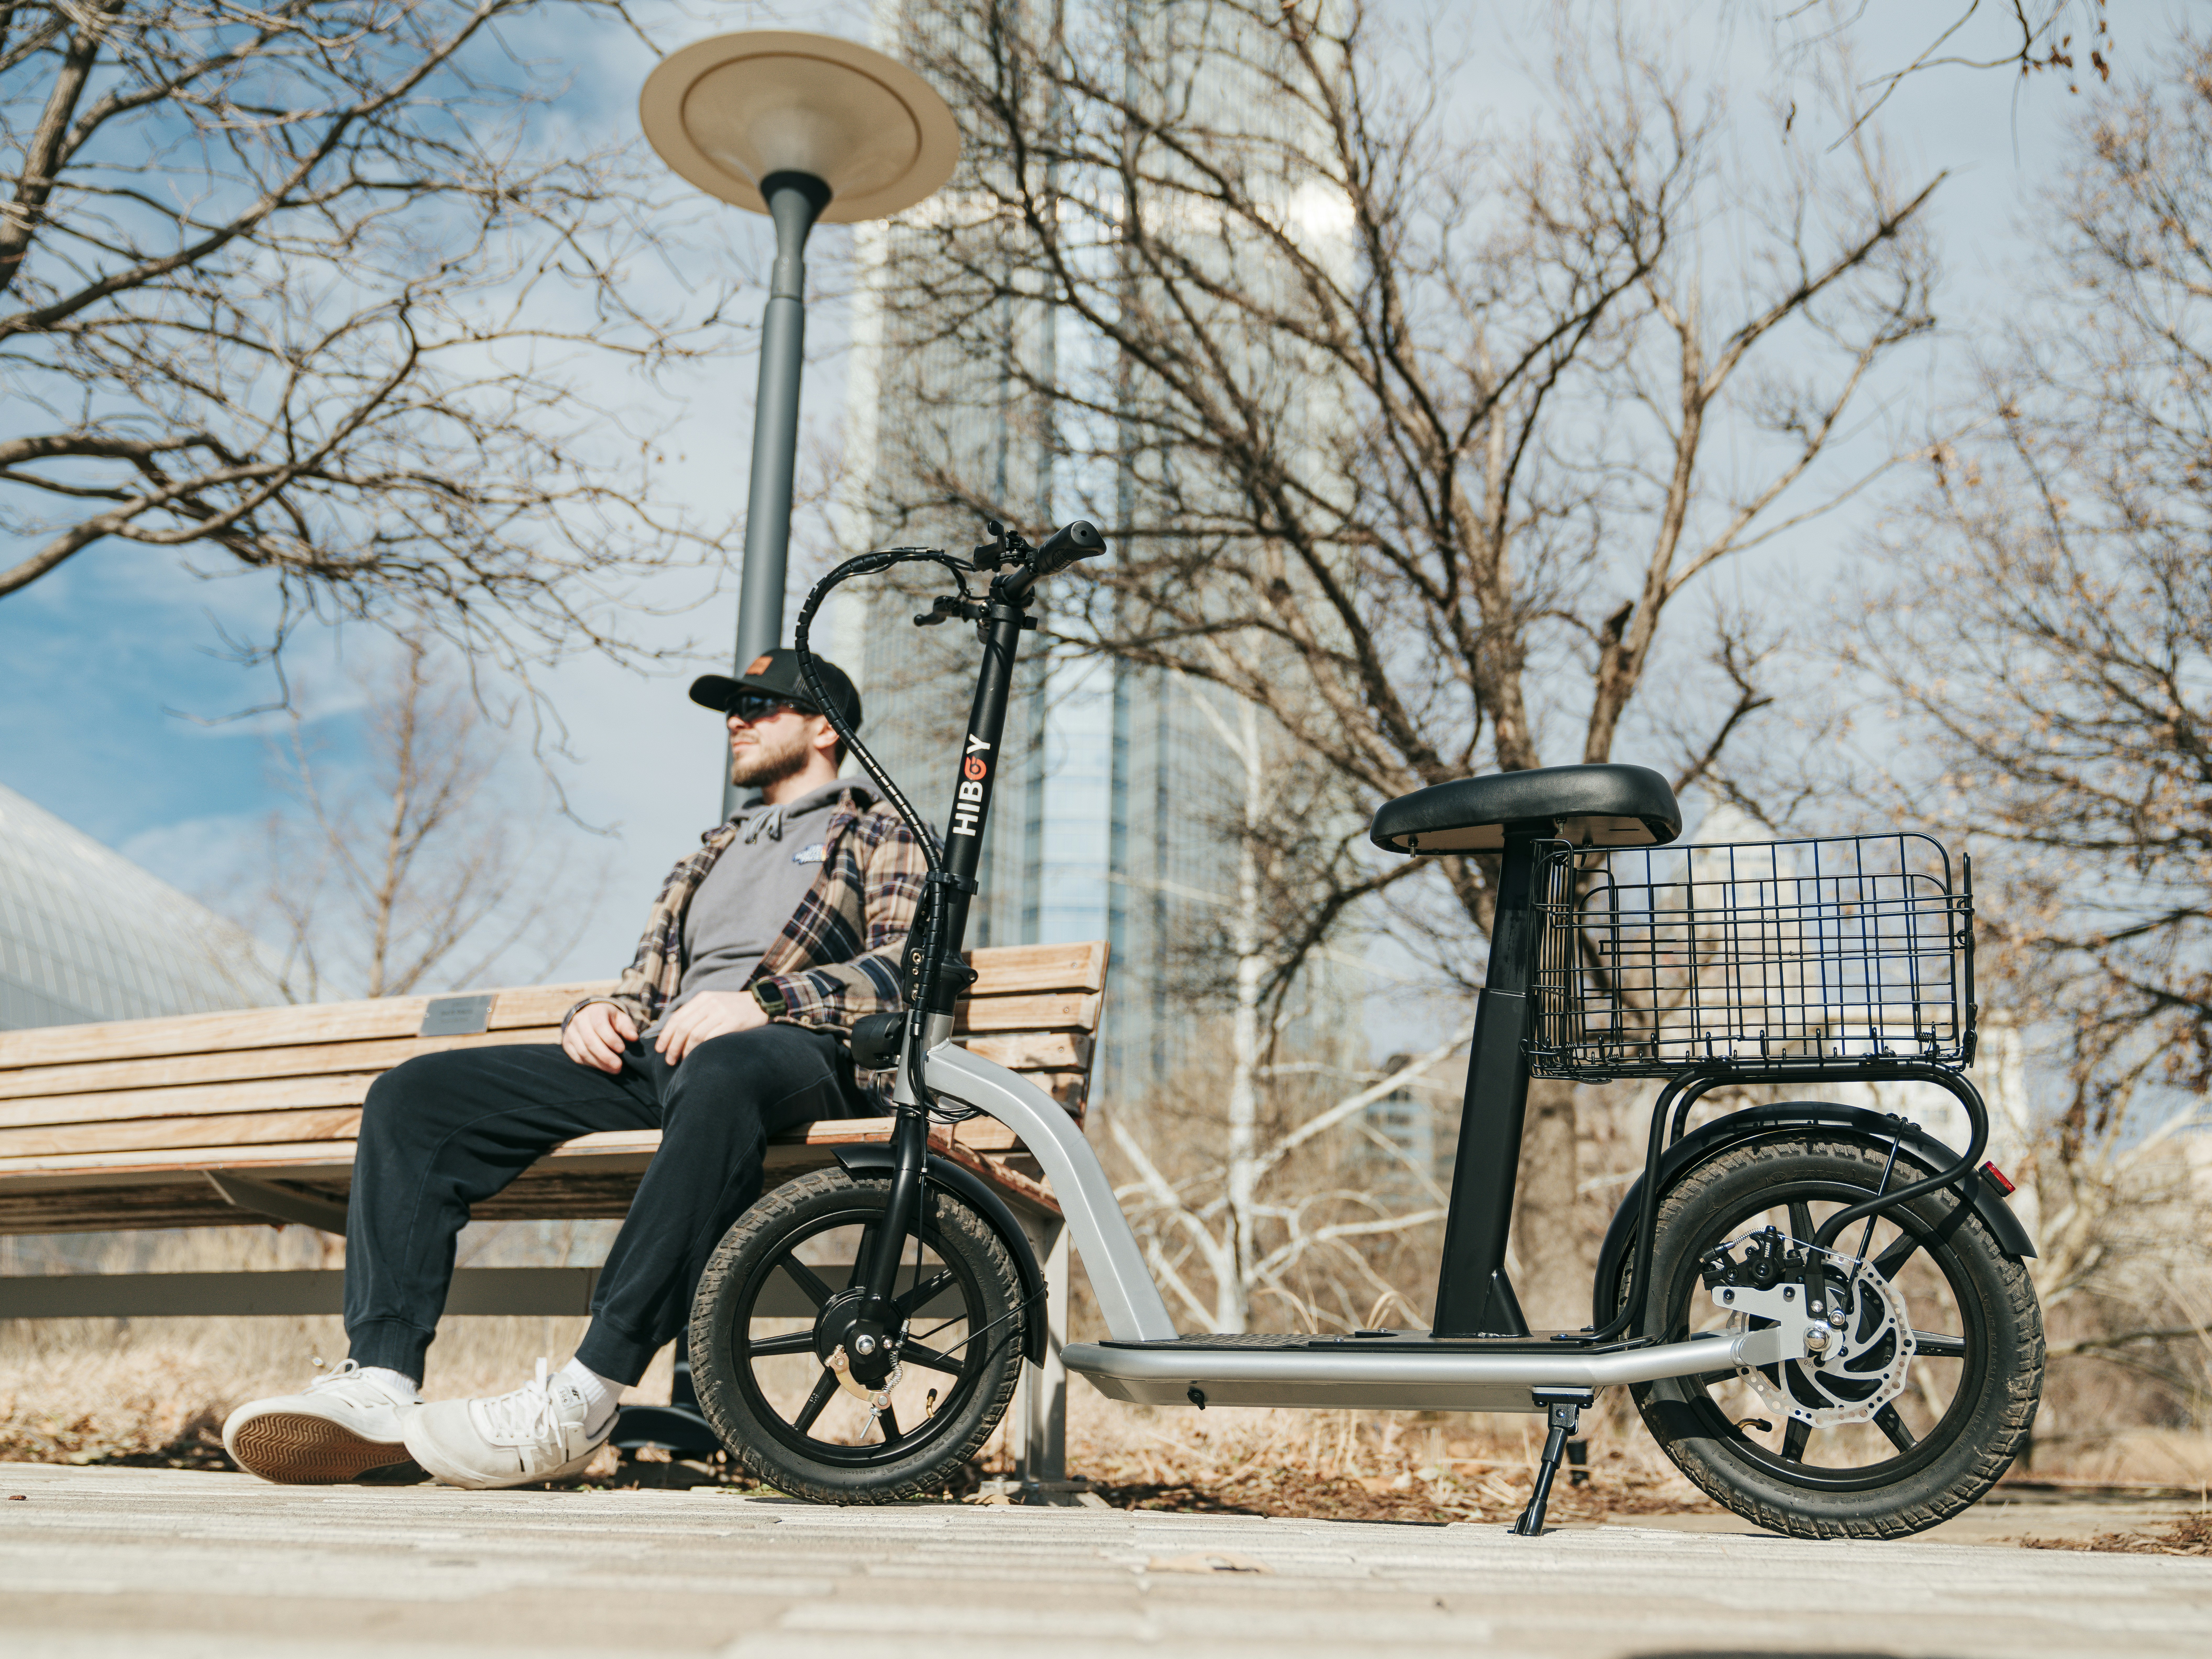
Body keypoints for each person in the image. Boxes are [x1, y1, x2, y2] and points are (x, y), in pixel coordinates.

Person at [220, 650, 925, 1487]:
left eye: (761, 706)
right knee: (416, 1096)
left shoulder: (881, 827)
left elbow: (903, 967)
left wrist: (766, 1004)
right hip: (669, 1057)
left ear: (822, 727)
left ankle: (586, 1394)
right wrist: (598, 1015)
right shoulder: (711, 851)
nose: (737, 719)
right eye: (733, 706)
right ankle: (381, 1380)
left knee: (724, 1067)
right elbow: (646, 981)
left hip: (799, 1058)